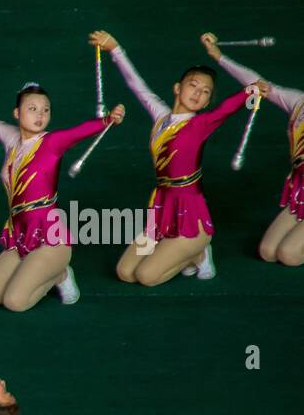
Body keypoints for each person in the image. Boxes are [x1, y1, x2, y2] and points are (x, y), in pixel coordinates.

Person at [0, 84, 124, 310]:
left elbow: (80, 131)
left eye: (45, 110)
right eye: (32, 109)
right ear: (17, 113)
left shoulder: (51, 142)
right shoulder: (10, 137)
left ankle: (60, 275)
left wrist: (108, 119)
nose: (40, 115)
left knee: (15, 301)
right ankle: (35, 270)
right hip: (20, 234)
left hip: (50, 236)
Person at [92, 30, 257, 284]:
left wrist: (252, 91)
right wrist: (115, 49)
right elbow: (137, 85)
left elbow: (228, 107)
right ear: (178, 88)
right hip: (162, 213)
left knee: (146, 276)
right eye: (193, 85)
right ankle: (179, 251)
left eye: (205, 92)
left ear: (205, 103)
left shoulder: (201, 123)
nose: (198, 93)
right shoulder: (161, 117)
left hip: (192, 217)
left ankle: (198, 253)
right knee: (125, 272)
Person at [203, 33, 304, 267]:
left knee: (289, 255)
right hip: (301, 192)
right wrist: (219, 56)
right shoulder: (298, 101)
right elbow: (260, 84)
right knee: (268, 252)